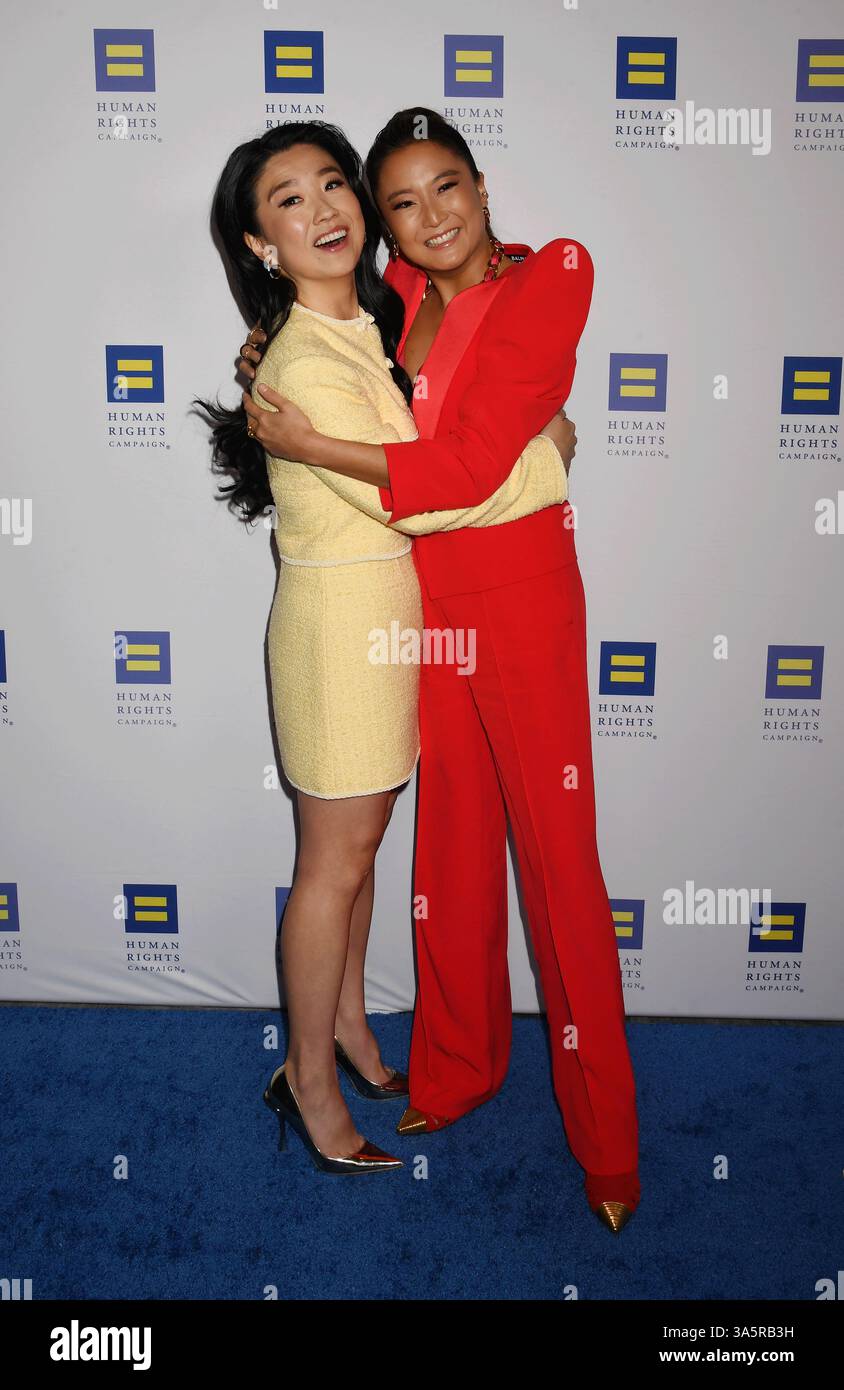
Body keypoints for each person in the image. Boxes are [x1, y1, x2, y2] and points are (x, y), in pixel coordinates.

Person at [240, 109, 641, 1231]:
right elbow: (343, 380)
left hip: (517, 594)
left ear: (478, 182)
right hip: (420, 599)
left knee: (557, 860)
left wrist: (540, 454)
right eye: (403, 203)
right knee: (451, 841)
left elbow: (460, 464)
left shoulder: (551, 272)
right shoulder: (390, 305)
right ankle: (457, 1066)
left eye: (445, 187)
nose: (428, 219)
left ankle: (607, 1141)